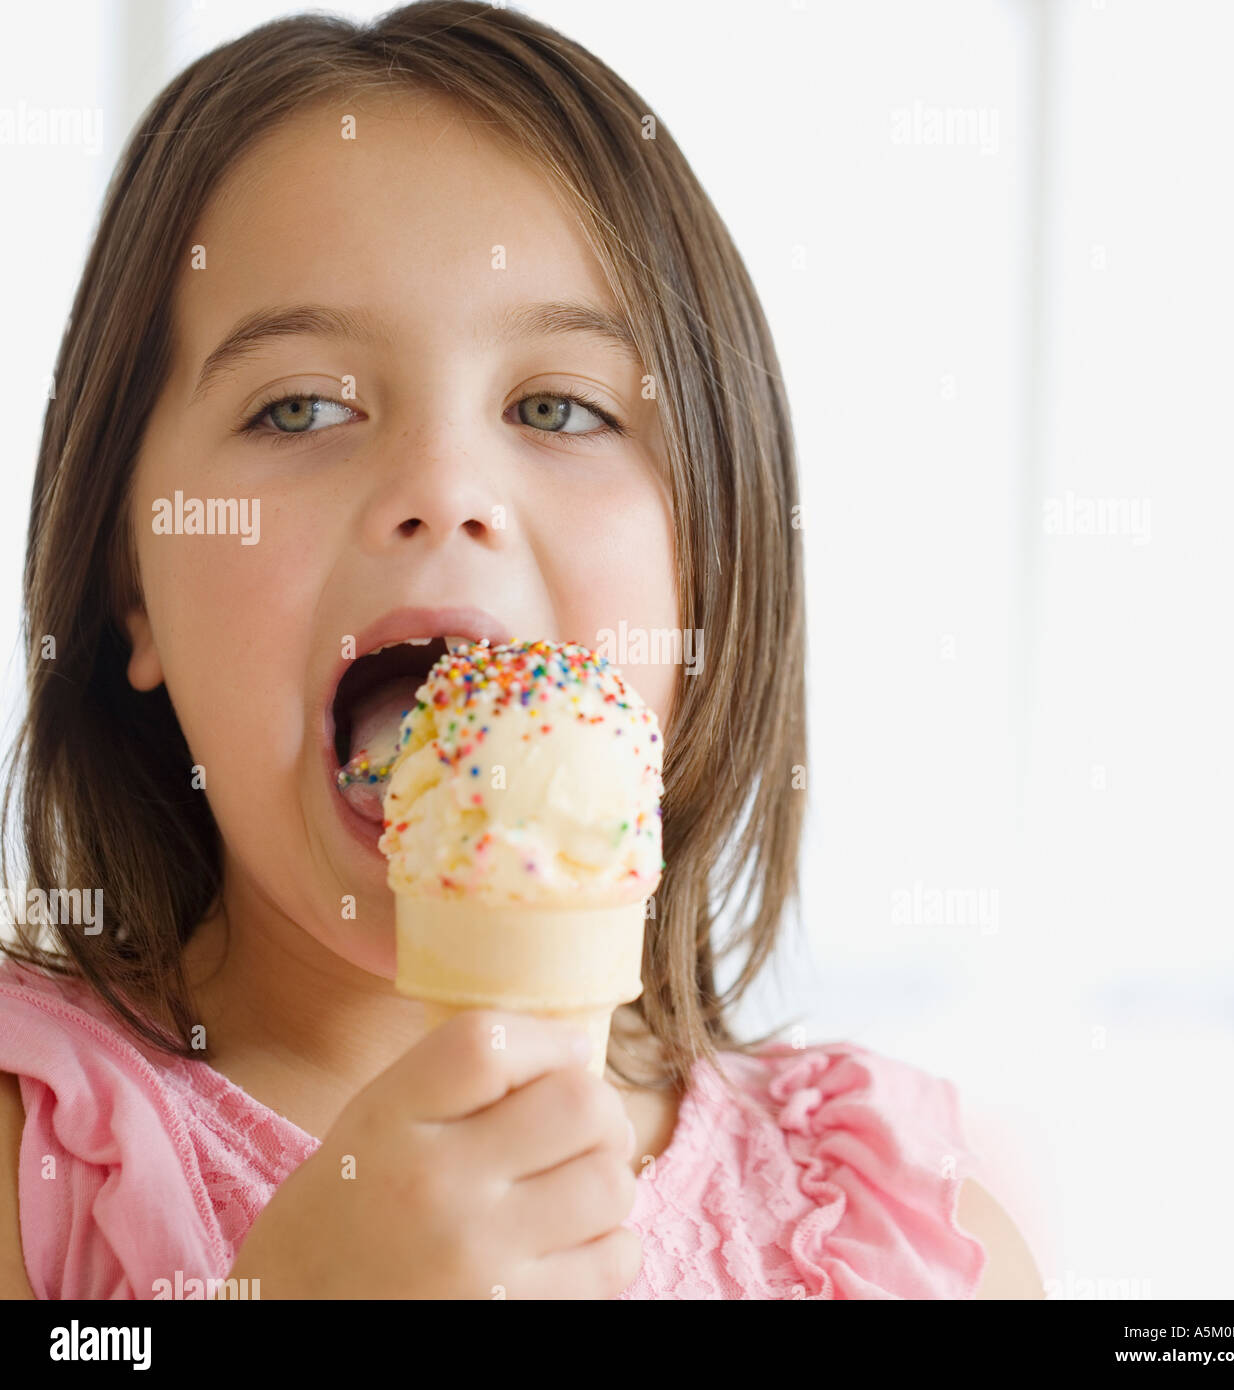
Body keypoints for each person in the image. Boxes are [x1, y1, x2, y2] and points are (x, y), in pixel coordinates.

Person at [0, 0, 1040, 1300]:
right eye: (303, 404)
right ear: (130, 589)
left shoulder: (904, 1234)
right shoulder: (39, 1162)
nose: (444, 485)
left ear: (711, 569)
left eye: (558, 406)